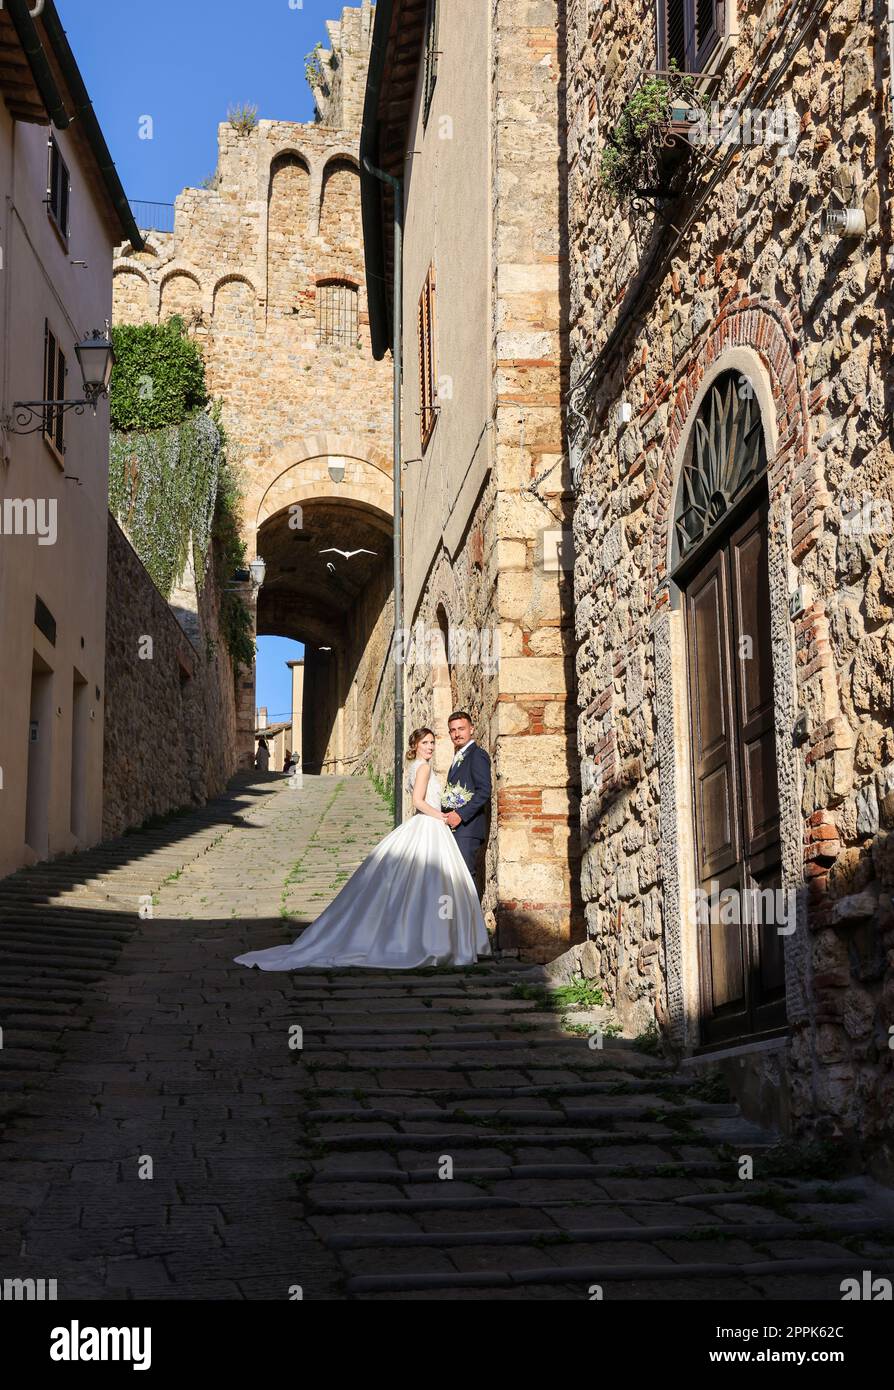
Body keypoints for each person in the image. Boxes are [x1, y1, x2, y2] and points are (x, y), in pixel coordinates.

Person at [234, 726, 490, 970]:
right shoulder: (422, 769)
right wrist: (443, 817)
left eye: (433, 743)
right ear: (415, 745)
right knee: (434, 883)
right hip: (429, 824)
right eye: (425, 743)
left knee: (422, 883)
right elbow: (418, 802)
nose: (430, 747)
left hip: (425, 826)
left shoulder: (415, 767)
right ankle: (433, 938)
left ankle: (422, 935)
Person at [441, 711, 492, 889]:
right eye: (453, 730)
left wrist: (460, 815)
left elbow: (484, 791)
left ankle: (471, 917)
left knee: (464, 878)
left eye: (461, 729)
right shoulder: (458, 757)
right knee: (454, 879)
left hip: (468, 828)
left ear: (471, 728)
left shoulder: (477, 755)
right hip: (454, 829)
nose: (457, 734)